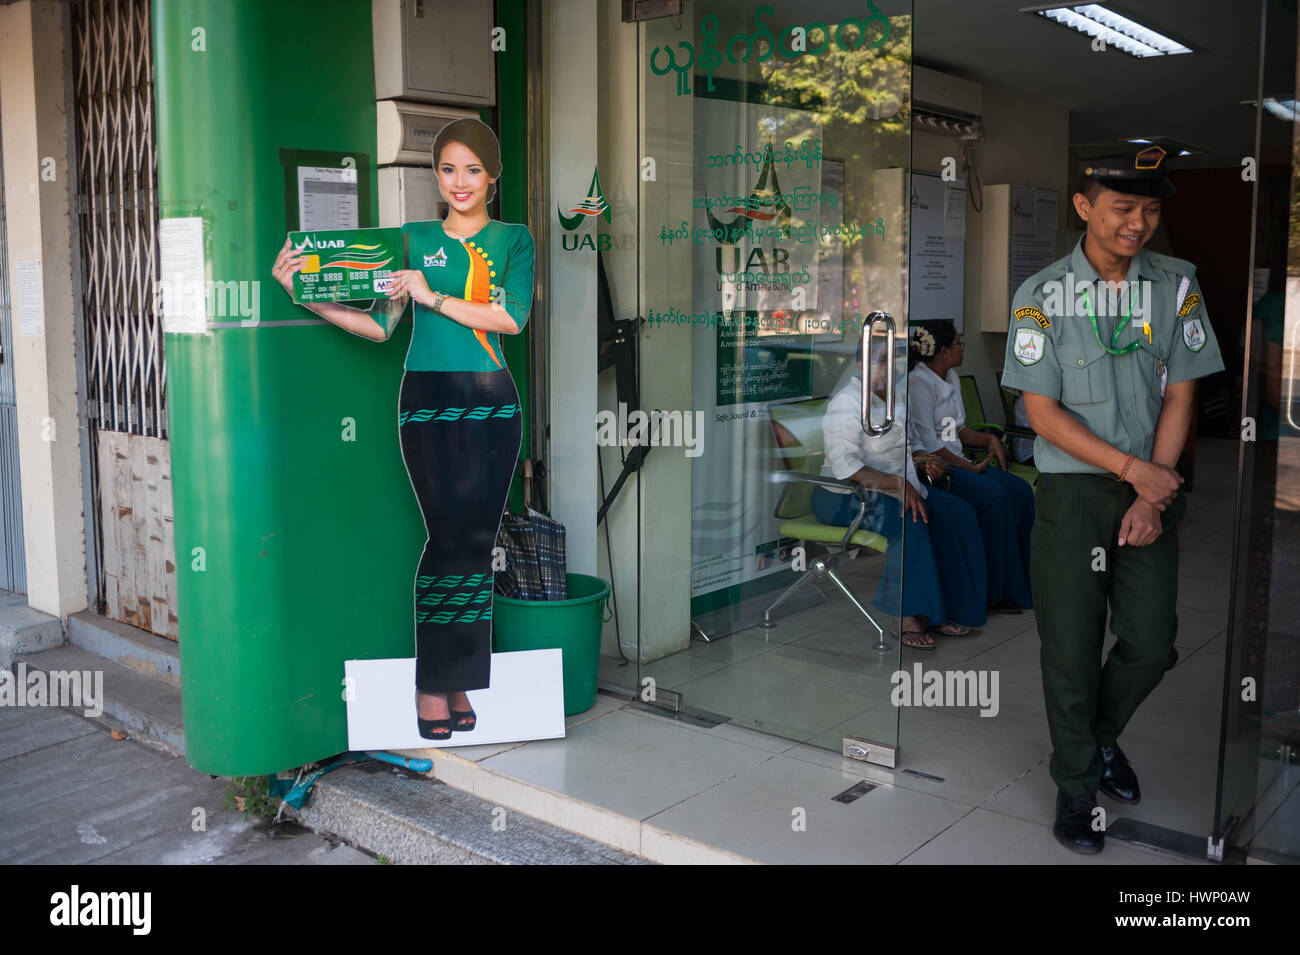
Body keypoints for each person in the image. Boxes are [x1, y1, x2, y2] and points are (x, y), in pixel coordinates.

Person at [272, 118, 535, 741]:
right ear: (436, 176)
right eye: (448, 169)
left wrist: (432, 295)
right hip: (428, 400)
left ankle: (457, 679)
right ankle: (431, 683)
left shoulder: (513, 239)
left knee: (476, 540)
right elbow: (380, 327)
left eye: (473, 169)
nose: (460, 182)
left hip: (494, 401)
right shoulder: (413, 240)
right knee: (446, 537)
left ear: (493, 176)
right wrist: (303, 292)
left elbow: (510, 318)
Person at [1001, 145, 1224, 854]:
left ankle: (1097, 741)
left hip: (1149, 489)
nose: (1139, 223)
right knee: (1068, 647)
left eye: (1151, 209)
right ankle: (1075, 784)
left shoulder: (1178, 285)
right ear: (1084, 206)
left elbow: (1183, 390)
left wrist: (1152, 489)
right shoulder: (1039, 295)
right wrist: (1133, 469)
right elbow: (1043, 414)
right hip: (1073, 494)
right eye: (1124, 207)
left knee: (1152, 642)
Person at [815, 336, 988, 649]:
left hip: (896, 486)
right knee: (913, 520)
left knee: (957, 514)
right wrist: (900, 484)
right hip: (843, 495)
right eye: (880, 362)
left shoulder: (895, 399)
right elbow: (848, 468)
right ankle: (905, 613)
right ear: (860, 364)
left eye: (892, 363)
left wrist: (923, 463)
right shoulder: (847, 402)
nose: (887, 369)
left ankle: (942, 609)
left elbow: (903, 448)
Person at [907, 320, 1035, 613]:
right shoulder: (919, 383)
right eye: (958, 344)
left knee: (1019, 491)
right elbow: (928, 444)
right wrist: (966, 467)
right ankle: (993, 591)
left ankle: (1021, 584)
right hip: (935, 467)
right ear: (942, 352)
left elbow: (957, 431)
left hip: (959, 462)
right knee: (993, 496)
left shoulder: (950, 376)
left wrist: (988, 439)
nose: (962, 349)